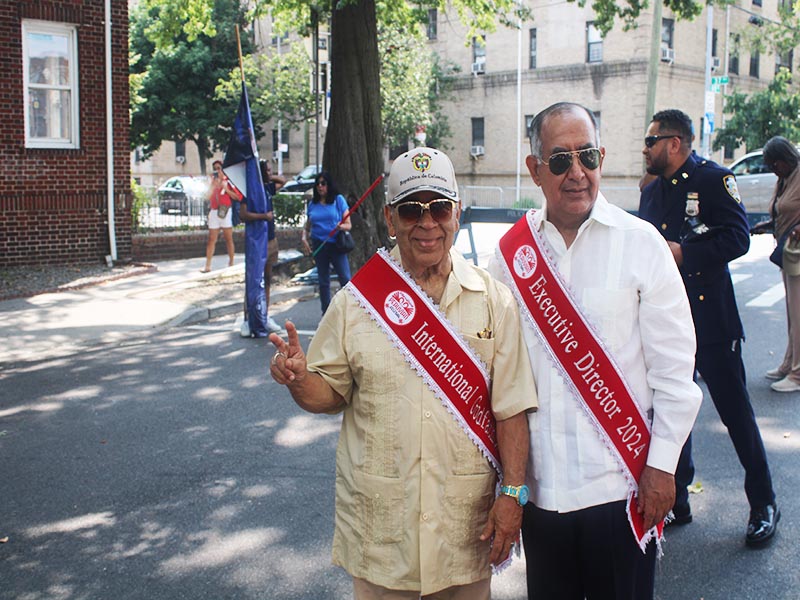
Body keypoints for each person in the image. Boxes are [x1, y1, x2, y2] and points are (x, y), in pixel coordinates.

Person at [269, 147, 537, 598]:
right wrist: (299, 379)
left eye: (439, 208)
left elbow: (511, 407)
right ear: (390, 219)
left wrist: (513, 495)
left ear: (457, 213)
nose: (426, 223)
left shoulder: (495, 300)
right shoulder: (356, 302)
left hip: (464, 535)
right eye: (412, 210)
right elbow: (327, 394)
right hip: (382, 540)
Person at [491, 102, 702, 599]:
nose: (577, 173)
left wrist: (663, 466)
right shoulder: (509, 256)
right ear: (535, 170)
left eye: (587, 156)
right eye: (560, 160)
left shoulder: (641, 243)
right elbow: (496, 375)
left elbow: (675, 371)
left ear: (602, 157)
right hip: (543, 496)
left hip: (623, 489)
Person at [639, 109, 779, 546]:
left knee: (736, 414)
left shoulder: (714, 180)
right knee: (669, 411)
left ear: (675, 143)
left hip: (710, 320)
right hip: (665, 322)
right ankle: (678, 498)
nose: (645, 148)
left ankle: (764, 503)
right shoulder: (651, 191)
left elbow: (737, 237)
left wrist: (685, 253)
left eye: (651, 140)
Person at [762, 137, 800, 391]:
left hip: (798, 254)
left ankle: (798, 375)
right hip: (788, 253)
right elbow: (783, 210)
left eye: (775, 164)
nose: (774, 169)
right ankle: (789, 363)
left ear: (785, 159)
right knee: (791, 312)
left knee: (798, 314)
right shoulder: (785, 178)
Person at [238, 159, 286, 336]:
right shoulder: (250, 191)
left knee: (266, 278)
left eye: (270, 170)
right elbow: (242, 214)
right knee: (253, 280)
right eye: (267, 170)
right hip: (257, 241)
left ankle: (264, 315)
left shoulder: (267, 188)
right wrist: (263, 216)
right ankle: (247, 318)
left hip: (271, 239)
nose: (270, 173)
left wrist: (269, 176)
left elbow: (282, 181)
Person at [301, 172, 352, 314]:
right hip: (319, 244)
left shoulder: (338, 200)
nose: (320, 187)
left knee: (345, 278)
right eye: (317, 184)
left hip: (336, 243)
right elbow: (307, 225)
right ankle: (326, 313)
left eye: (323, 183)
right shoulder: (313, 204)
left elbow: (348, 225)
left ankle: (348, 311)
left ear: (329, 185)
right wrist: (304, 237)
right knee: (323, 281)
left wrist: (340, 226)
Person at [201, 160, 239, 273]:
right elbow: (206, 196)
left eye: (219, 168)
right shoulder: (212, 182)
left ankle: (231, 262)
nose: (217, 171)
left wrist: (226, 189)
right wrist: (212, 186)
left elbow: (237, 196)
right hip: (214, 211)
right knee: (211, 239)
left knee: (228, 238)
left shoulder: (228, 182)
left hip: (225, 211)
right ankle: (208, 265)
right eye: (215, 168)